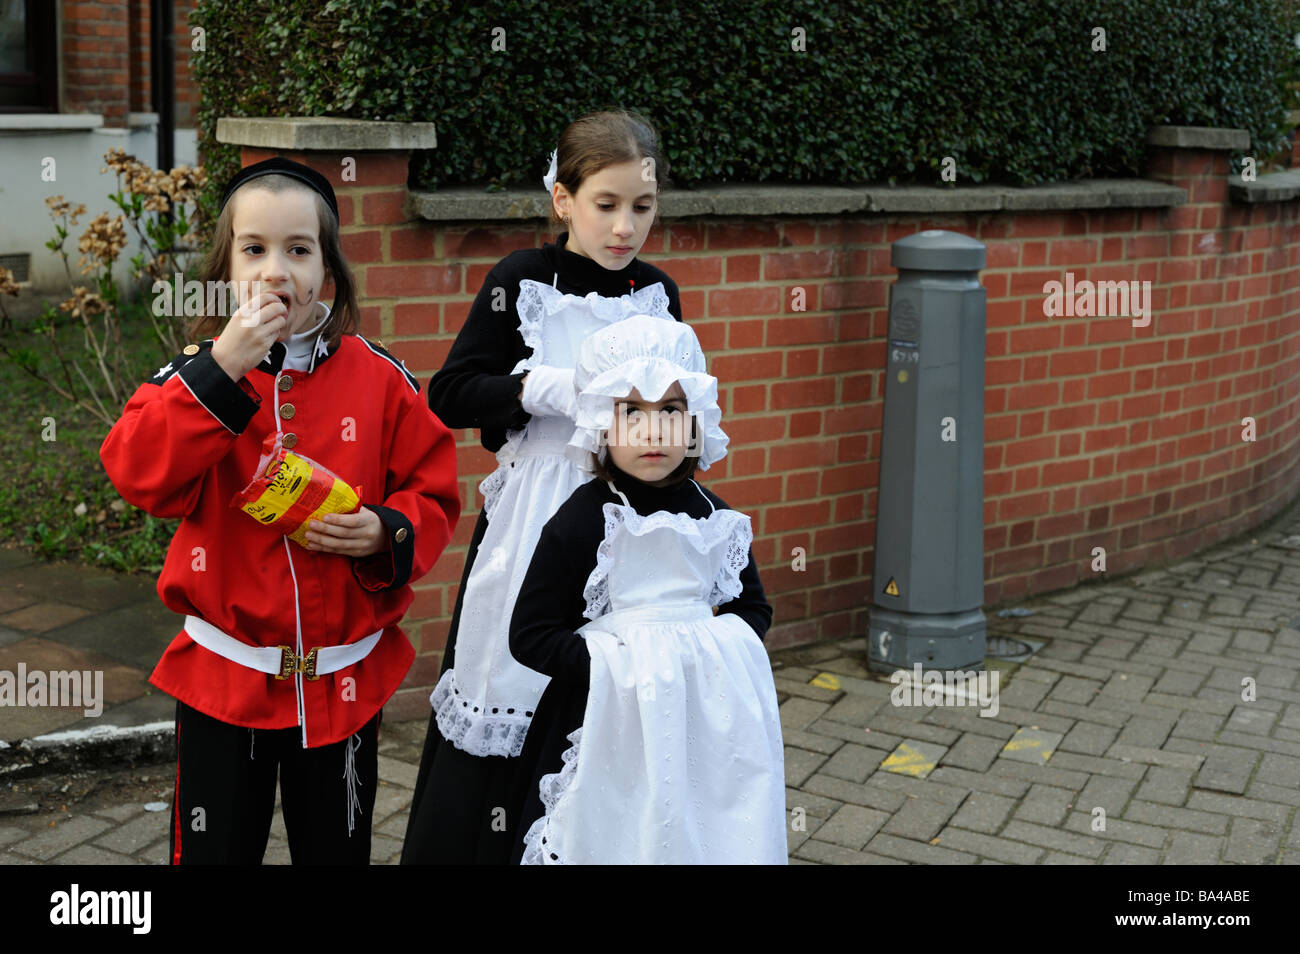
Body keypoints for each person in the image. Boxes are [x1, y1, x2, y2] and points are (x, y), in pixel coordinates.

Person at [99, 156, 461, 864]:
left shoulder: (381, 378)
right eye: (254, 249)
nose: (275, 270)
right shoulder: (193, 374)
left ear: (327, 271)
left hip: (343, 686)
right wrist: (222, 367)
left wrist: (383, 531)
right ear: (226, 269)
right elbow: (138, 472)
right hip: (223, 685)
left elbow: (433, 489)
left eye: (298, 250)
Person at [401, 109, 683, 864]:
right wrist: (548, 388)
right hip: (532, 524)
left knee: (599, 708)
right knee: (514, 686)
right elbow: (451, 391)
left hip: (624, 531)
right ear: (563, 199)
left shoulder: (659, 297)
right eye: (606, 204)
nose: (626, 226)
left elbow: (680, 416)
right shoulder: (523, 282)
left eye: (643, 207)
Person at [511, 314, 786, 864]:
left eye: (671, 411)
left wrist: (704, 656)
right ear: (599, 424)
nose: (653, 430)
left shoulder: (716, 517)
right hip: (605, 714)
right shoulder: (583, 519)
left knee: (697, 825)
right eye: (631, 411)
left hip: (698, 716)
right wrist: (622, 666)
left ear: (695, 423)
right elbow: (531, 634)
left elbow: (751, 605)